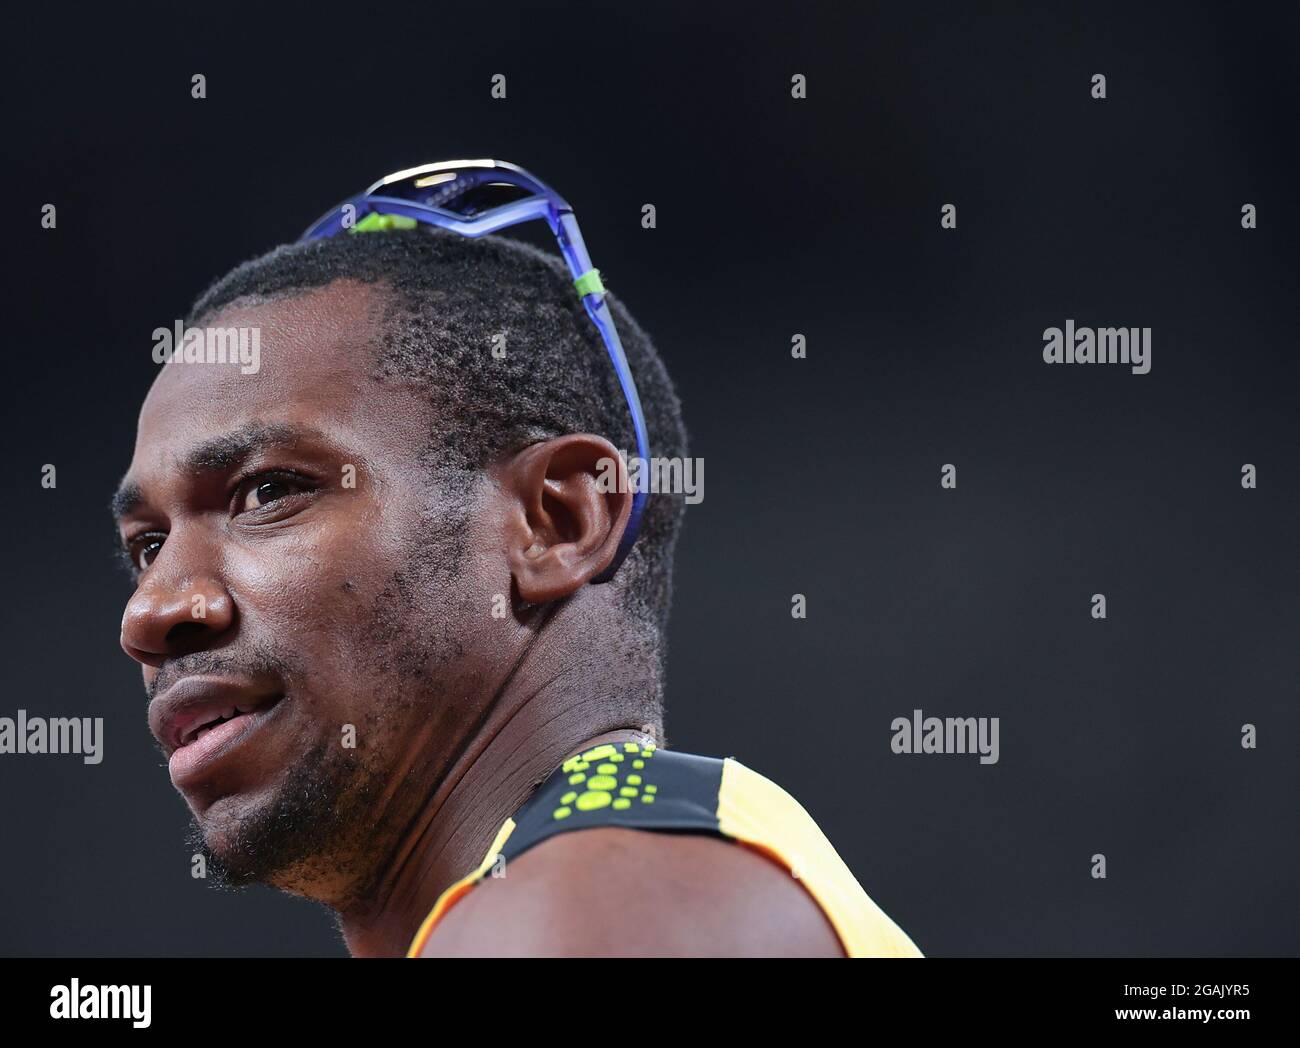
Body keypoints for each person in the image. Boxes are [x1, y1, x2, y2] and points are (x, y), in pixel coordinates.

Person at [112, 217, 922, 957]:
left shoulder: (589, 902)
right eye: (148, 545)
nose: (150, 613)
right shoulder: (674, 863)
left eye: (268, 492)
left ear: (557, 522)